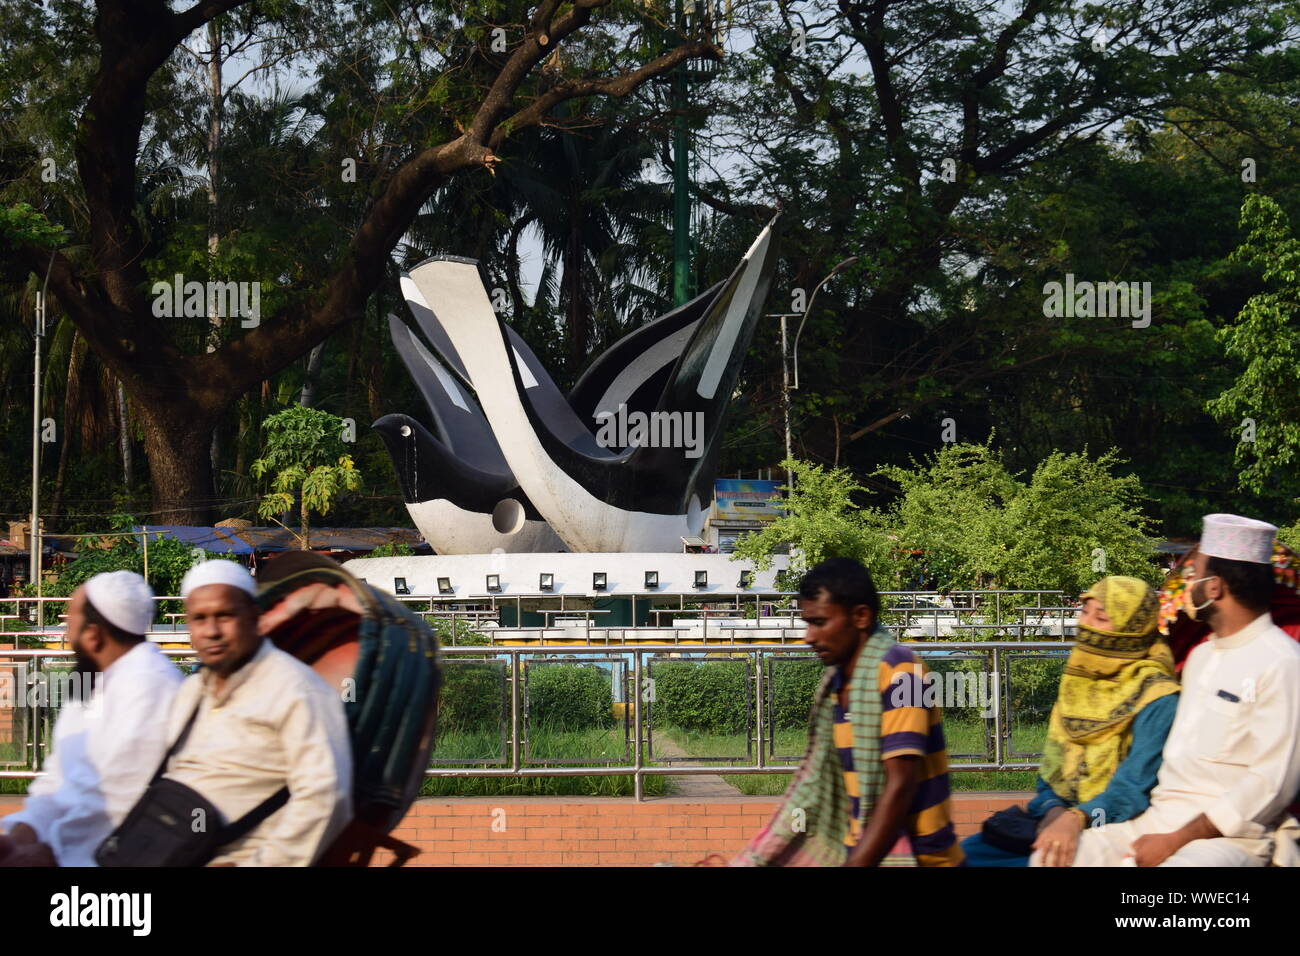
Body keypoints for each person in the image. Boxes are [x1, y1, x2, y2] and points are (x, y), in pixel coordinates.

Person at [1037, 514, 1300, 867]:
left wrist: (1177, 839)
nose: (1185, 583)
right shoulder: (1201, 657)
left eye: (1193, 575)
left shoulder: (1282, 662)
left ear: (1214, 588)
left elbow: (1272, 784)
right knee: (1052, 857)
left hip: (1233, 838)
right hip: (1157, 821)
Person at [731, 557, 963, 866]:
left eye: (820, 622)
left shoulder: (902, 671)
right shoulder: (837, 686)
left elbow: (900, 785)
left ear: (861, 616)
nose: (809, 637)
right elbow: (816, 784)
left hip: (925, 860)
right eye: (807, 623)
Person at [962, 575, 1179, 866]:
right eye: (1085, 612)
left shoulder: (1159, 698)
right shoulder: (1079, 678)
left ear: (1133, 628)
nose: (1086, 624)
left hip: (1115, 827)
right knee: (960, 856)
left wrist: (1075, 819)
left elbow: (1131, 791)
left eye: (1101, 617)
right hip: (1053, 816)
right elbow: (1053, 767)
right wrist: (1053, 810)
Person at [154, 559, 352, 866]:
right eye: (199, 619)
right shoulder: (192, 692)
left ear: (254, 617)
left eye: (225, 616)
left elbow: (325, 797)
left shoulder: (296, 689)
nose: (212, 631)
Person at [0, 571, 182, 866]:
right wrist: (20, 838)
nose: (65, 635)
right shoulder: (91, 683)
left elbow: (116, 800)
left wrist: (46, 853)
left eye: (69, 623)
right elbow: (58, 778)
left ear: (93, 635)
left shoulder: (151, 685)